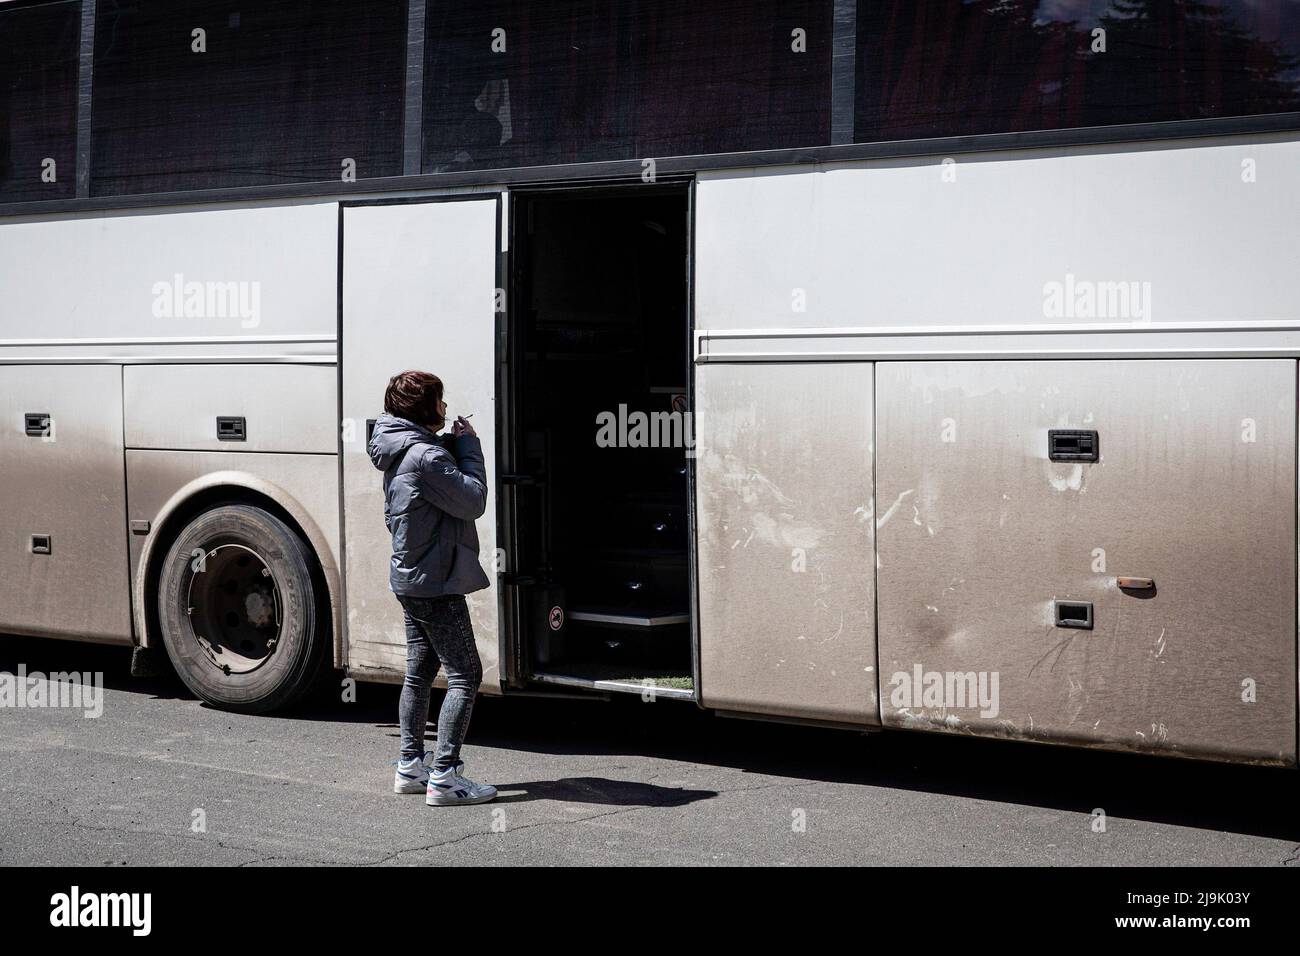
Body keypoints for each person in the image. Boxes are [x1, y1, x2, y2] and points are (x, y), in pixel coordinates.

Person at [367, 370, 497, 806]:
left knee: (420, 672)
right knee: (466, 674)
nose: (445, 408)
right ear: (426, 408)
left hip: (411, 577)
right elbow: (473, 500)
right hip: (435, 583)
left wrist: (449, 447)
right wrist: (469, 447)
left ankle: (411, 766)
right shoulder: (426, 456)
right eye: (440, 402)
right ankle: (446, 775)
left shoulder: (399, 449)